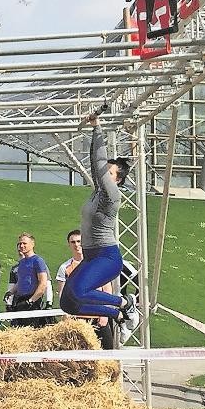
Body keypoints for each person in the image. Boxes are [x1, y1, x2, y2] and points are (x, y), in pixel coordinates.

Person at [58, 115, 136, 323]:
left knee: (80, 292)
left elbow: (98, 162)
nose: (102, 175)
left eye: (108, 173)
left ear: (117, 180)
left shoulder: (112, 195)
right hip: (91, 256)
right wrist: (94, 132)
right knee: (67, 303)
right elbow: (96, 165)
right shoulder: (97, 192)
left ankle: (124, 303)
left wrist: (97, 127)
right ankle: (117, 314)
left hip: (107, 257)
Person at [55, 229, 115, 347]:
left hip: (98, 316)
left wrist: (105, 314)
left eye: (79, 241)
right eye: (73, 242)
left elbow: (107, 290)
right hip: (78, 318)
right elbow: (62, 293)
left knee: (108, 350)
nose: (76, 245)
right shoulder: (65, 267)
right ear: (69, 244)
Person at [6, 234, 49, 329]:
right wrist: (10, 292)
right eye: (20, 243)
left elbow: (43, 283)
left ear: (32, 244)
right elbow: (21, 281)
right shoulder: (22, 262)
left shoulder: (38, 261)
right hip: (20, 300)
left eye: (24, 243)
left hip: (33, 301)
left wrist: (30, 301)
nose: (21, 246)